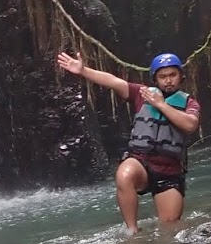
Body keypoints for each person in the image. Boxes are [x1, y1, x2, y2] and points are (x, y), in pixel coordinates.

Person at [56, 49, 202, 233]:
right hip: (141, 161)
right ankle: (132, 231)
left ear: (181, 76)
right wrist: (84, 71)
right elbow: (113, 81)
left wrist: (161, 105)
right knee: (124, 175)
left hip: (169, 170)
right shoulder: (141, 94)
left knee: (170, 228)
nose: (168, 80)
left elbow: (190, 125)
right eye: (163, 76)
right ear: (155, 79)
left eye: (173, 75)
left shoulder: (189, 103)